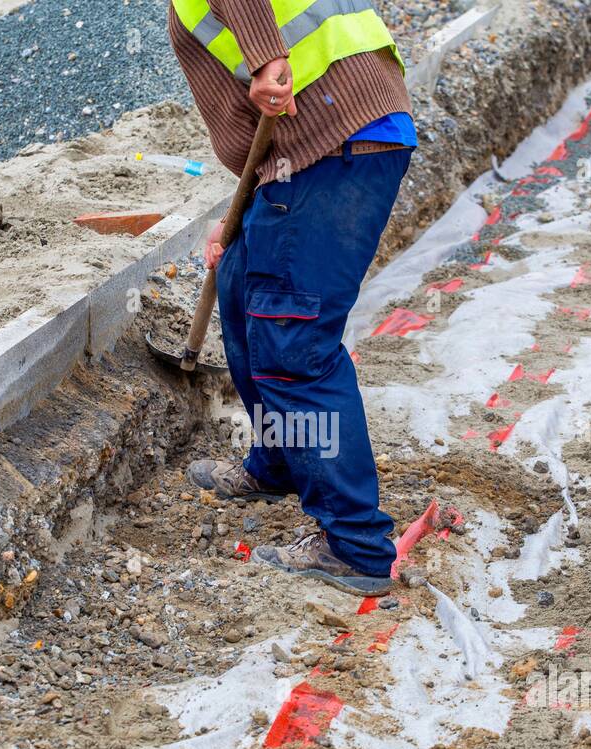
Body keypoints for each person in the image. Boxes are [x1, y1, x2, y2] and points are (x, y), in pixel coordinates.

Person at [168, 0, 417, 596]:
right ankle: (279, 458)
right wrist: (247, 203)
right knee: (240, 284)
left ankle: (355, 547)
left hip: (336, 140)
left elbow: (265, 50)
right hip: (313, 145)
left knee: (293, 340)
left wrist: (265, 57)